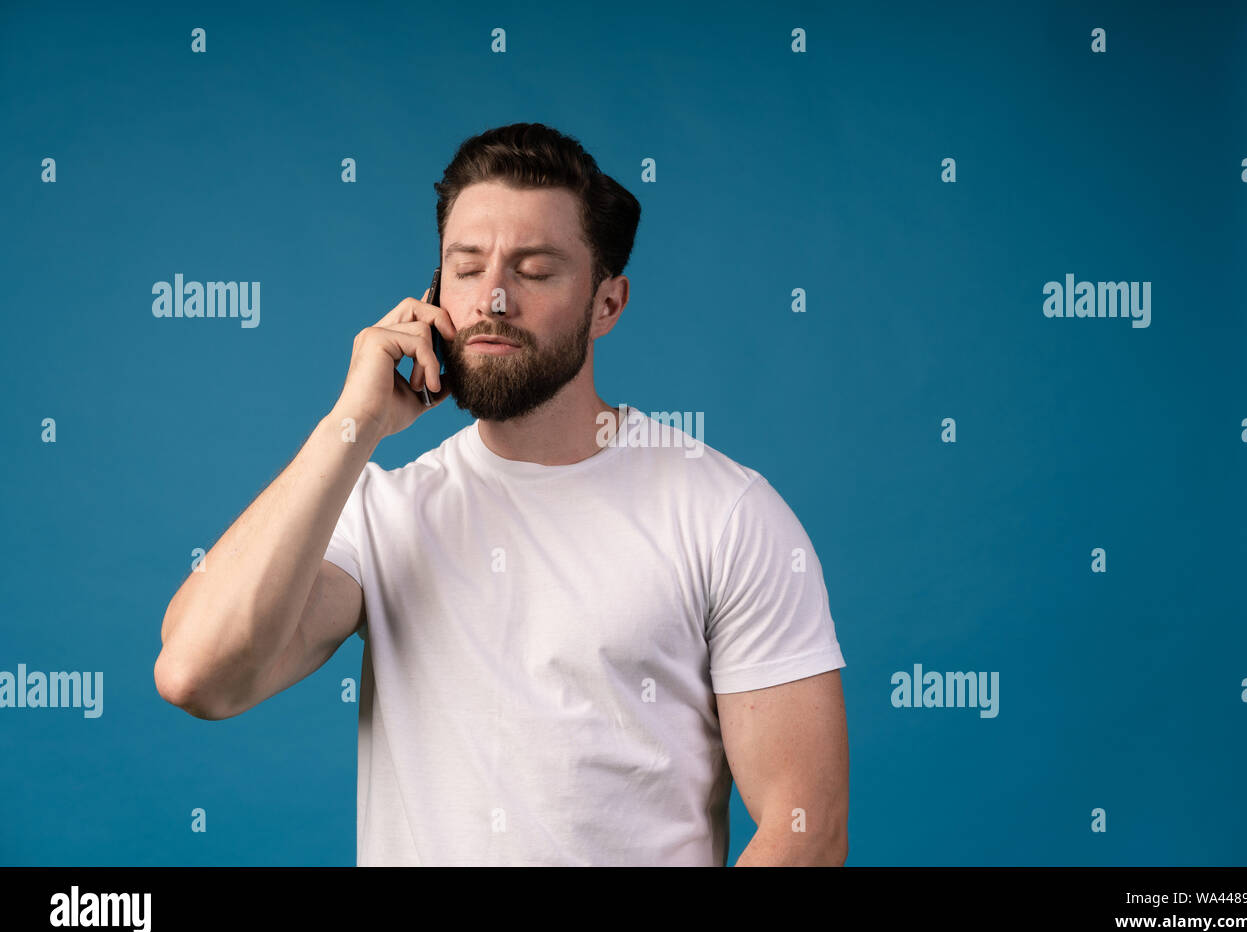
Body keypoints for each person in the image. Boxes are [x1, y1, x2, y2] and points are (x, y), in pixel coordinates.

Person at [156, 122, 849, 866]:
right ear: (433, 292)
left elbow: (804, 827)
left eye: (535, 269)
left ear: (607, 304)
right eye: (468, 267)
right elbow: (199, 675)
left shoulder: (727, 515)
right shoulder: (383, 513)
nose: (493, 298)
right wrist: (350, 427)